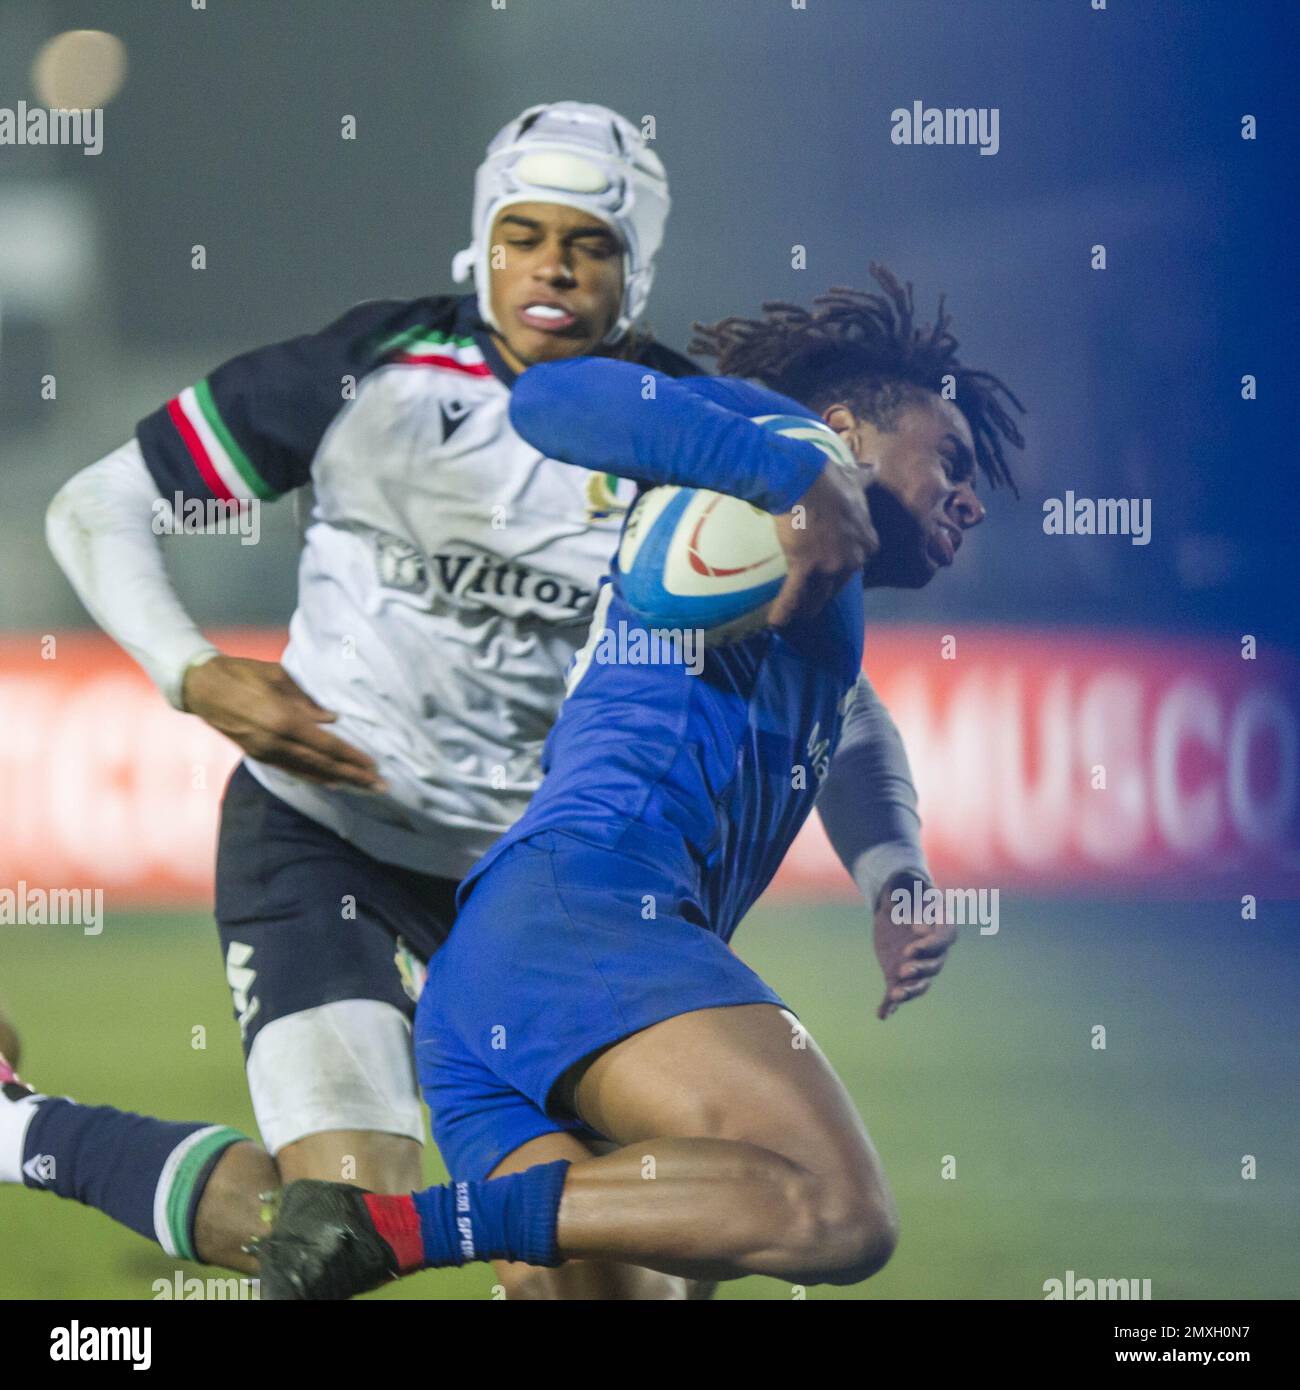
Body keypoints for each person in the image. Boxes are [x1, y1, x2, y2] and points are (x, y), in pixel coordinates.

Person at [9, 107, 926, 1299]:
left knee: (611, 1282)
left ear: (633, 268)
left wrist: (891, 866)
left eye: (588, 243)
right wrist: (190, 669)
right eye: (521, 233)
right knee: (332, 1224)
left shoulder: (693, 436)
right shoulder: (366, 372)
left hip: (541, 891)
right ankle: (22, 1131)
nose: (549, 265)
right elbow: (95, 506)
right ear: (479, 245)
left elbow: (829, 698)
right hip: (325, 838)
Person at [253, 268, 1026, 1297]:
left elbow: (853, 723)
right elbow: (551, 396)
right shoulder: (781, 446)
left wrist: (894, 874)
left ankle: (428, 1228)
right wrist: (792, 471)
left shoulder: (814, 613)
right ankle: (399, 1227)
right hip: (590, 922)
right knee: (834, 1209)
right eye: (955, 457)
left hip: (505, 977)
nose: (971, 497)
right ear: (846, 425)